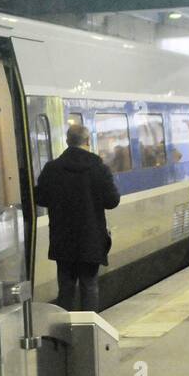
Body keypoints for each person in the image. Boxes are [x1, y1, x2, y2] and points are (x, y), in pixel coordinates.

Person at [34, 122, 121, 311]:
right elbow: (112, 201)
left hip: (63, 238)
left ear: (67, 141)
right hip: (91, 239)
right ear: (87, 141)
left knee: (65, 289)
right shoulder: (98, 168)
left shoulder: (52, 168)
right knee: (89, 287)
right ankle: (88, 332)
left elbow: (40, 198)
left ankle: (64, 334)